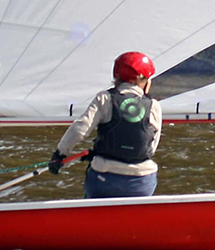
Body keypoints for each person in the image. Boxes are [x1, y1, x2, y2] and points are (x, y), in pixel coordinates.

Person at [47, 52, 161, 198]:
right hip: (141, 182)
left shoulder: (105, 98)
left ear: (117, 77)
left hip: (104, 179)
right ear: (145, 81)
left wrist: (59, 155)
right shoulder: (154, 106)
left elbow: (80, 130)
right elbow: (150, 147)